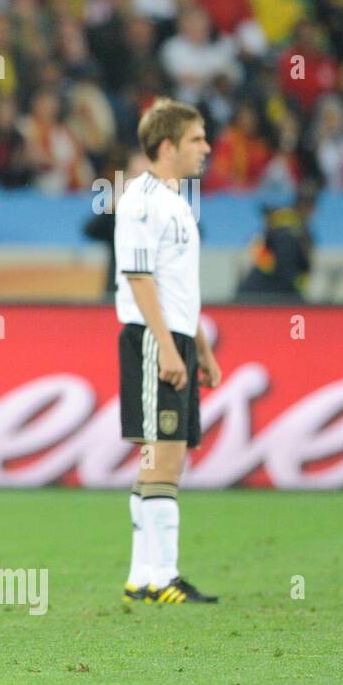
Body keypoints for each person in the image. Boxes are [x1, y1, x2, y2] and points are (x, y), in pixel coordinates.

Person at [113, 98, 222, 605]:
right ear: (166, 145)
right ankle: (163, 576)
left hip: (175, 337)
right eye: (197, 139)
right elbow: (138, 278)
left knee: (162, 459)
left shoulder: (179, 202)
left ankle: (143, 576)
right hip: (152, 336)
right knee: (165, 458)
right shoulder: (141, 198)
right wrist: (166, 345)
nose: (207, 147)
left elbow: (179, 287)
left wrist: (199, 347)